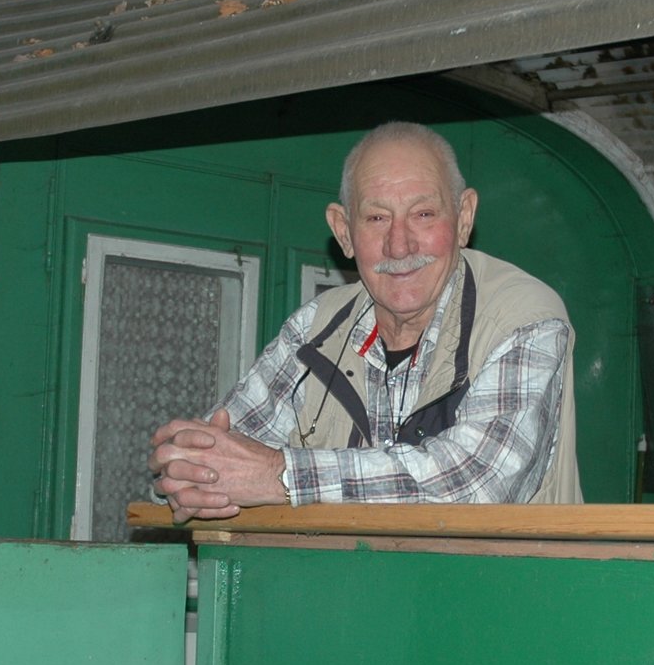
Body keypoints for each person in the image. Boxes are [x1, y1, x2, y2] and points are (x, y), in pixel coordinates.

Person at [149, 121, 580, 520]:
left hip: (499, 598)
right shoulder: (316, 329)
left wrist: (281, 476)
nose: (399, 244)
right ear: (343, 232)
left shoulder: (525, 317)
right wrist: (188, 472)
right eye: (376, 218)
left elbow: (475, 487)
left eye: (424, 214)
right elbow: (214, 461)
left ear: (464, 218)